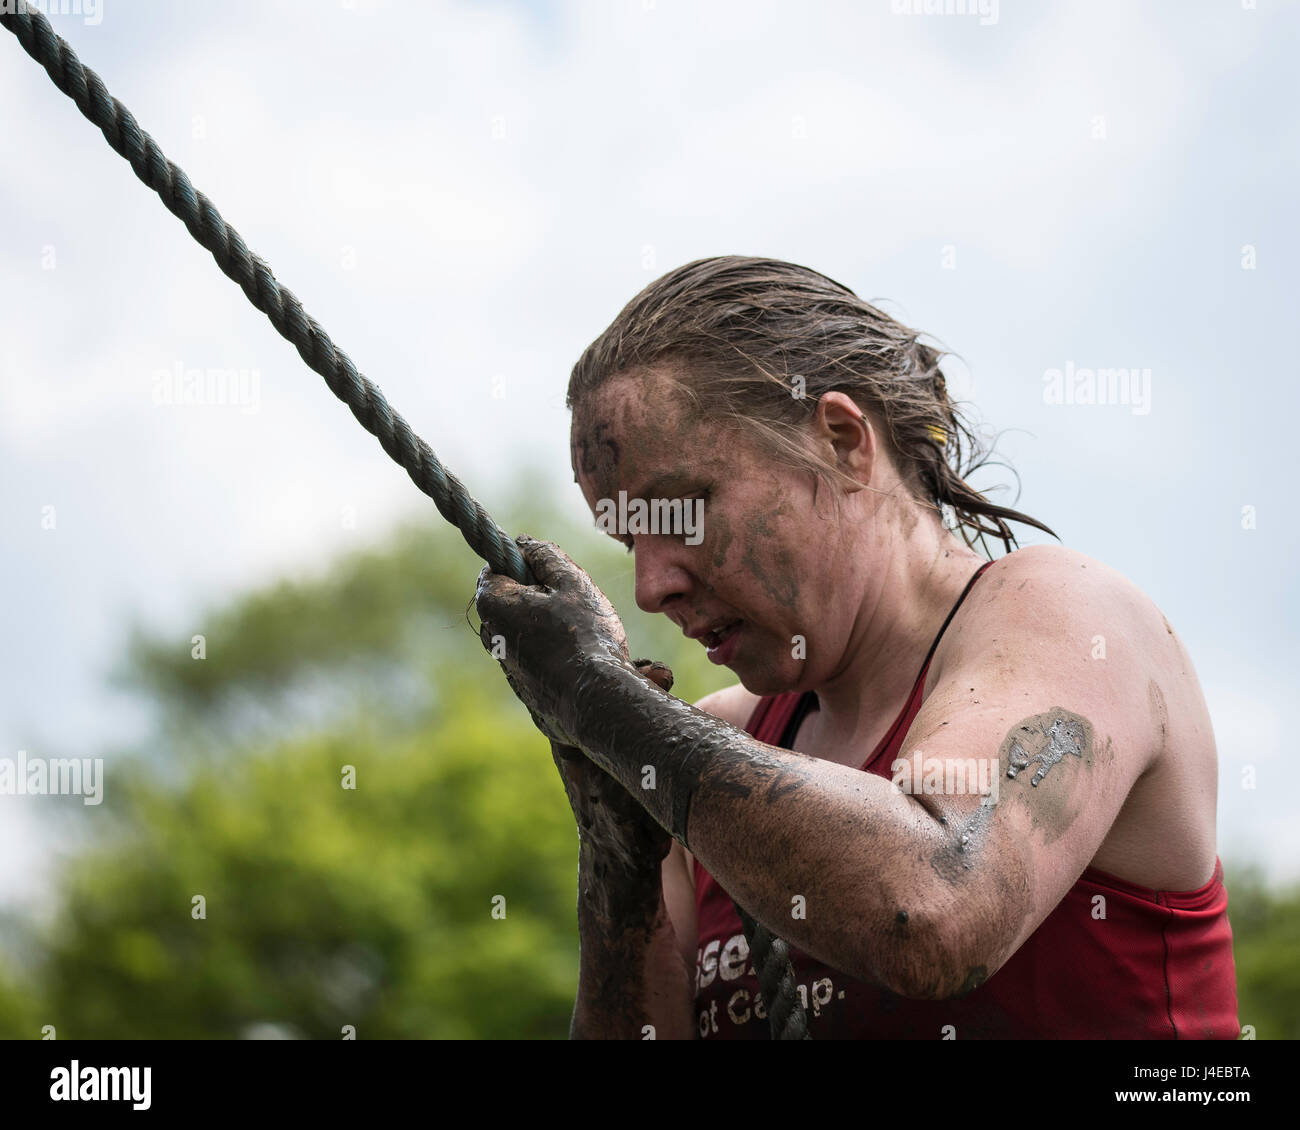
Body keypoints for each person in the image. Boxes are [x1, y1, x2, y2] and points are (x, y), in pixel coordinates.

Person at [474, 256, 1239, 1040]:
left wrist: (605, 707)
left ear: (841, 441)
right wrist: (617, 847)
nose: (649, 586)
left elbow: (938, 914)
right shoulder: (716, 738)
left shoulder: (1070, 615)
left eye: (680, 512)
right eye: (630, 537)